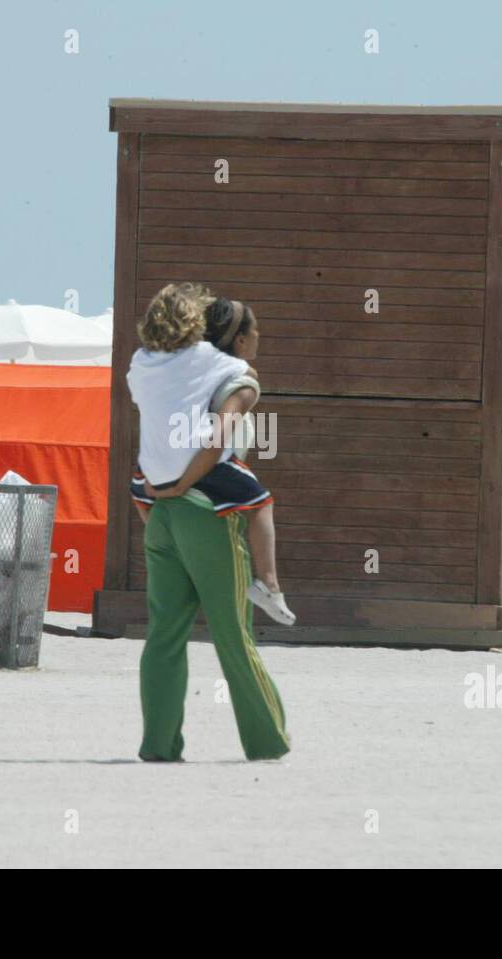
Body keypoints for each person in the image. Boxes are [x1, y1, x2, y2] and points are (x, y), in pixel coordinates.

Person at [126, 282, 291, 762]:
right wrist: (183, 483)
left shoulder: (142, 366)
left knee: (164, 636)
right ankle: (265, 741)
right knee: (233, 634)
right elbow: (220, 436)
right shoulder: (232, 371)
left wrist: (167, 493)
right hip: (205, 514)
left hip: (159, 518)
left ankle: (158, 744)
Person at [133, 295, 294, 625]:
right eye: (256, 330)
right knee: (262, 503)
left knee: (140, 487)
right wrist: (182, 484)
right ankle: (270, 583)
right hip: (210, 462)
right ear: (240, 339)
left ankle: (173, 543)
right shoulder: (241, 380)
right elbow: (218, 439)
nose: (259, 336)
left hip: (171, 458)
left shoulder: (187, 368)